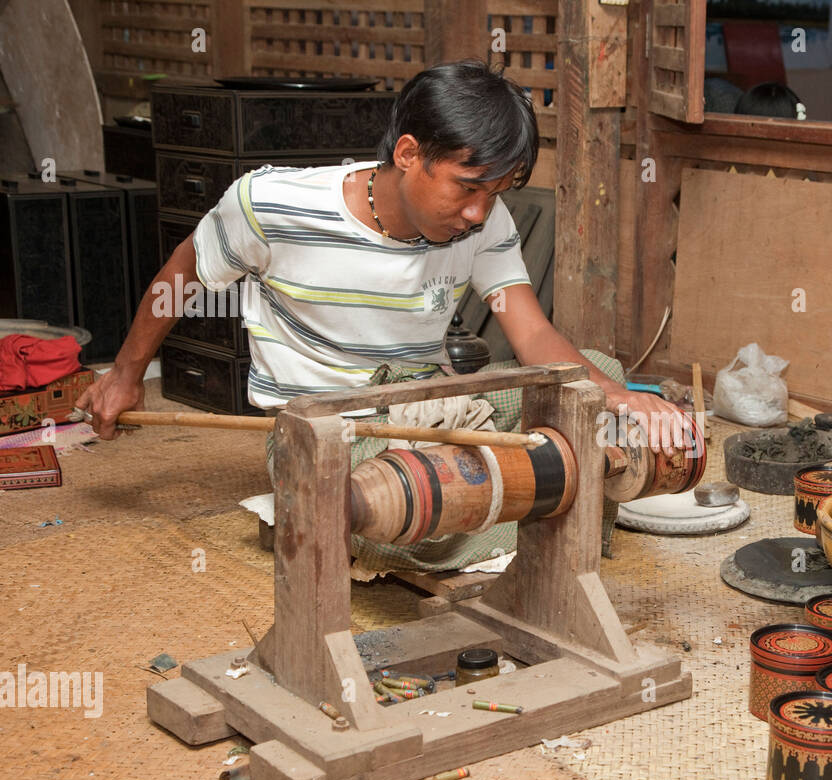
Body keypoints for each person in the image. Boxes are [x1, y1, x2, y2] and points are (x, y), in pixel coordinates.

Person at [76, 60, 688, 570]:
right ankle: (523, 505)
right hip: (329, 434)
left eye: (495, 194)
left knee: (590, 381)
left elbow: (530, 332)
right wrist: (127, 373)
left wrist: (617, 394)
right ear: (408, 152)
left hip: (433, 405)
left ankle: (536, 494)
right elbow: (182, 271)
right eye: (467, 187)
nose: (480, 212)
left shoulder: (485, 221)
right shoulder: (275, 204)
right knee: (415, 504)